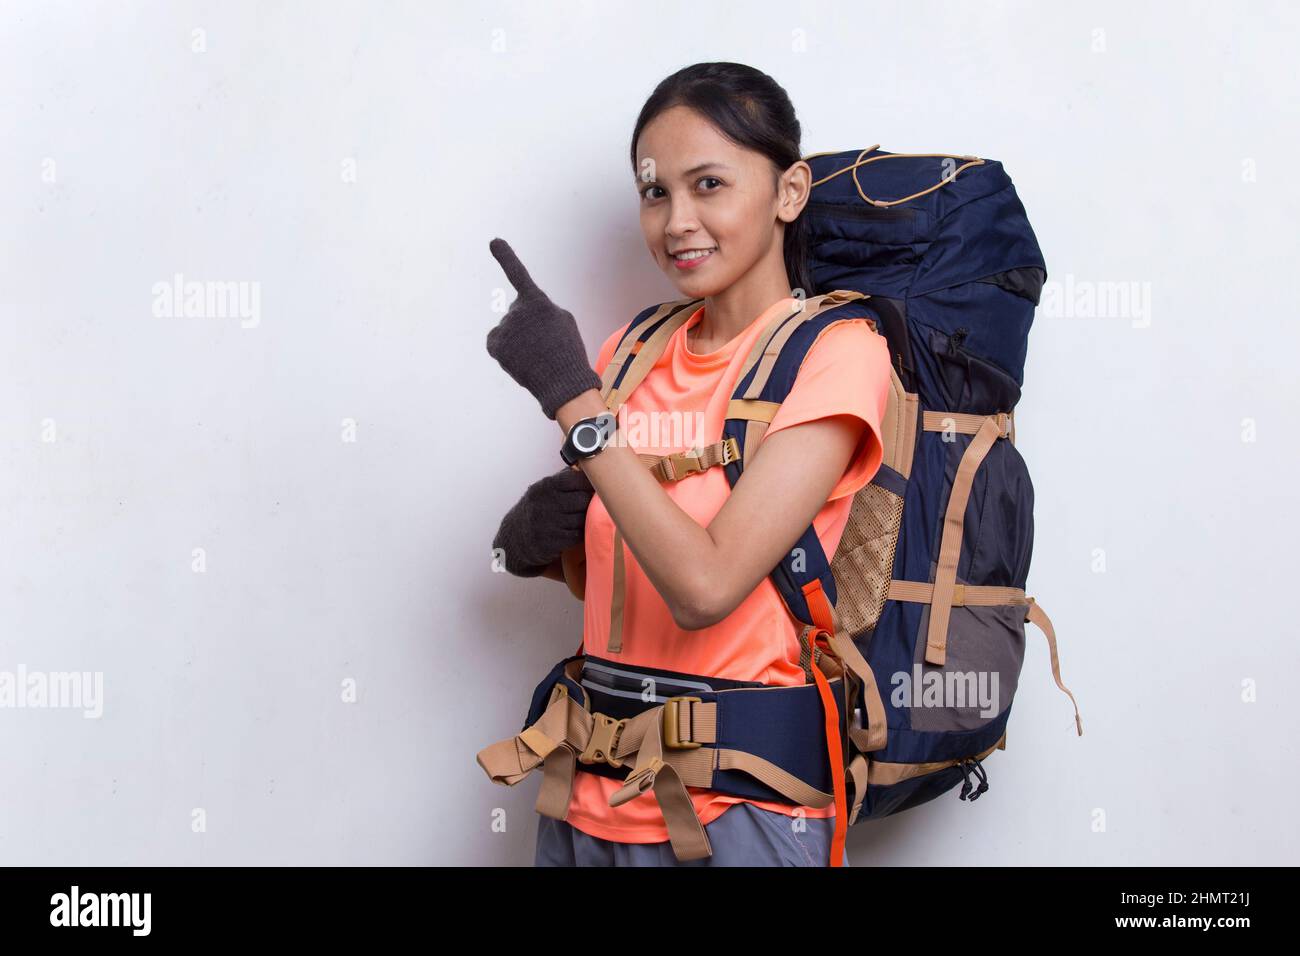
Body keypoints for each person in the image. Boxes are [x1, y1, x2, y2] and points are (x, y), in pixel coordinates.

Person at [485, 61, 892, 866]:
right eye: (654, 192)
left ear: (788, 191)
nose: (677, 221)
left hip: (739, 814)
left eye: (709, 184)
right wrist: (529, 542)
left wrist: (574, 404)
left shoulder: (839, 354)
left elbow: (706, 588)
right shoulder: (630, 352)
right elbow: (617, 571)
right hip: (581, 800)